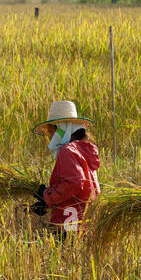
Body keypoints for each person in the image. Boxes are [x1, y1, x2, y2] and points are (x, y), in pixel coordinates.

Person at [29, 100, 100, 235]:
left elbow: (74, 183)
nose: (50, 138)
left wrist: (47, 196)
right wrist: (47, 203)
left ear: (62, 129)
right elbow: (81, 190)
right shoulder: (84, 150)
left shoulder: (67, 151)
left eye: (50, 132)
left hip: (69, 224)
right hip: (84, 222)